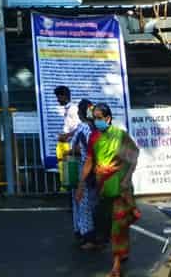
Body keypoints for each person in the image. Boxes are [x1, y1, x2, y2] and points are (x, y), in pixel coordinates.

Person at [78, 104, 142, 277]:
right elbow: (90, 161)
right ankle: (123, 251)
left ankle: (116, 266)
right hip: (104, 187)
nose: (97, 121)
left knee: (118, 224)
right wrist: (81, 185)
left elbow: (133, 156)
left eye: (100, 118)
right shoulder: (94, 138)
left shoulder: (120, 135)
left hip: (121, 187)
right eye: (95, 118)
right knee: (111, 223)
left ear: (108, 119)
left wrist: (126, 179)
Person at [66, 99, 97, 245]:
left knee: (82, 204)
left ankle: (85, 236)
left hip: (84, 171)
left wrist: (68, 152)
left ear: (80, 112)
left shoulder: (82, 128)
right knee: (93, 204)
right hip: (98, 171)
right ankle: (96, 235)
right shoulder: (96, 127)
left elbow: (77, 149)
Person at [52, 86, 77, 192]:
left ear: (64, 96)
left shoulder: (73, 109)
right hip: (66, 143)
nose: (57, 100)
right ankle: (66, 190)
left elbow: (80, 128)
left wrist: (66, 136)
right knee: (64, 169)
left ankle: (70, 191)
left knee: (71, 172)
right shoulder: (67, 109)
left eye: (58, 97)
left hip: (72, 145)